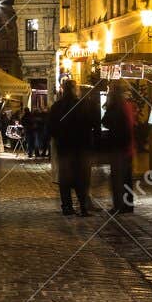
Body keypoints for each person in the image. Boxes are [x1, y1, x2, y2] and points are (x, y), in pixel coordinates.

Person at [47, 80, 95, 217]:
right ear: (75, 89)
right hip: (81, 147)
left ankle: (67, 207)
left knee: (65, 178)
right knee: (82, 177)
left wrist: (58, 138)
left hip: (64, 147)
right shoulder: (82, 105)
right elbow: (91, 123)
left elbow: (50, 127)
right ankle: (83, 207)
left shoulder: (57, 106)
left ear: (63, 90)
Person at [102, 83, 139, 214]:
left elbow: (105, 121)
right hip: (127, 146)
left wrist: (108, 104)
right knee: (127, 178)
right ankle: (128, 205)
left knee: (118, 178)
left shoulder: (115, 107)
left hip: (118, 147)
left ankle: (119, 205)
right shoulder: (126, 105)